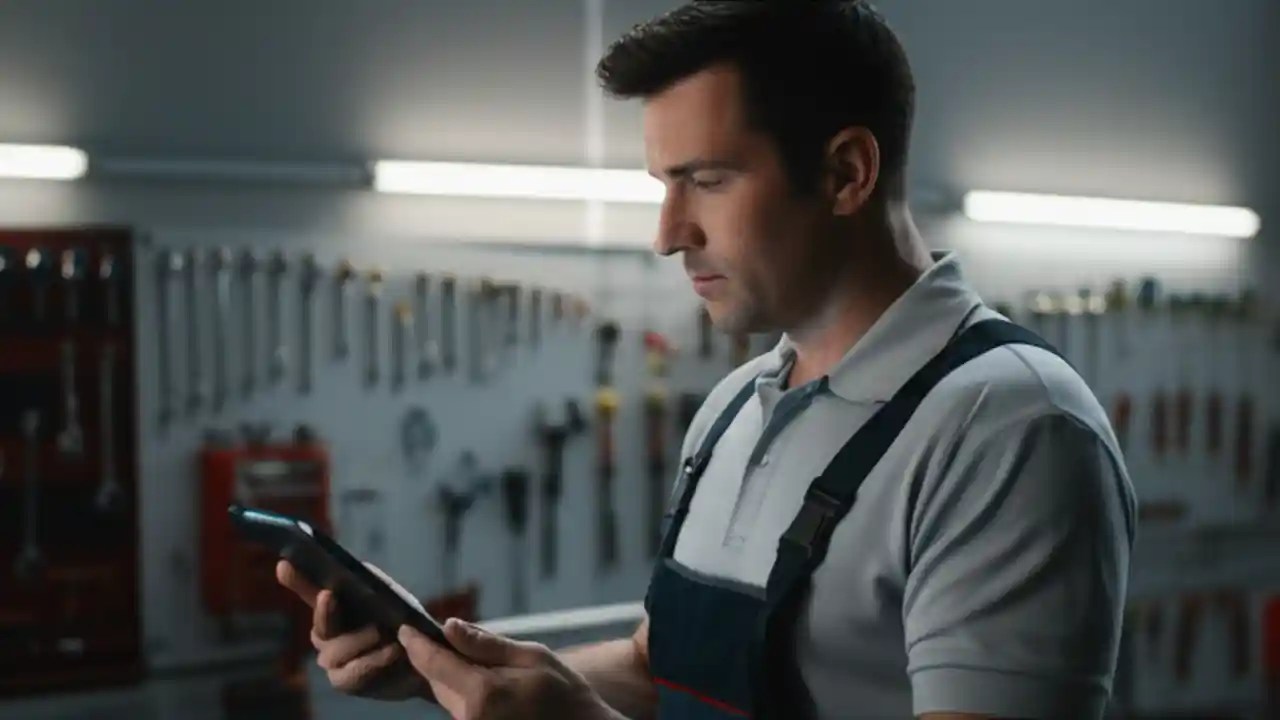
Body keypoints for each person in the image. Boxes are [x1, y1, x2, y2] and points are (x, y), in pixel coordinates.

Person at [278, 1, 1137, 718]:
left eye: (710, 180)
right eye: (664, 186)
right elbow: (667, 671)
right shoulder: (733, 409)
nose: (667, 234)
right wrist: (454, 672)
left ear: (845, 172)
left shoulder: (1012, 430)